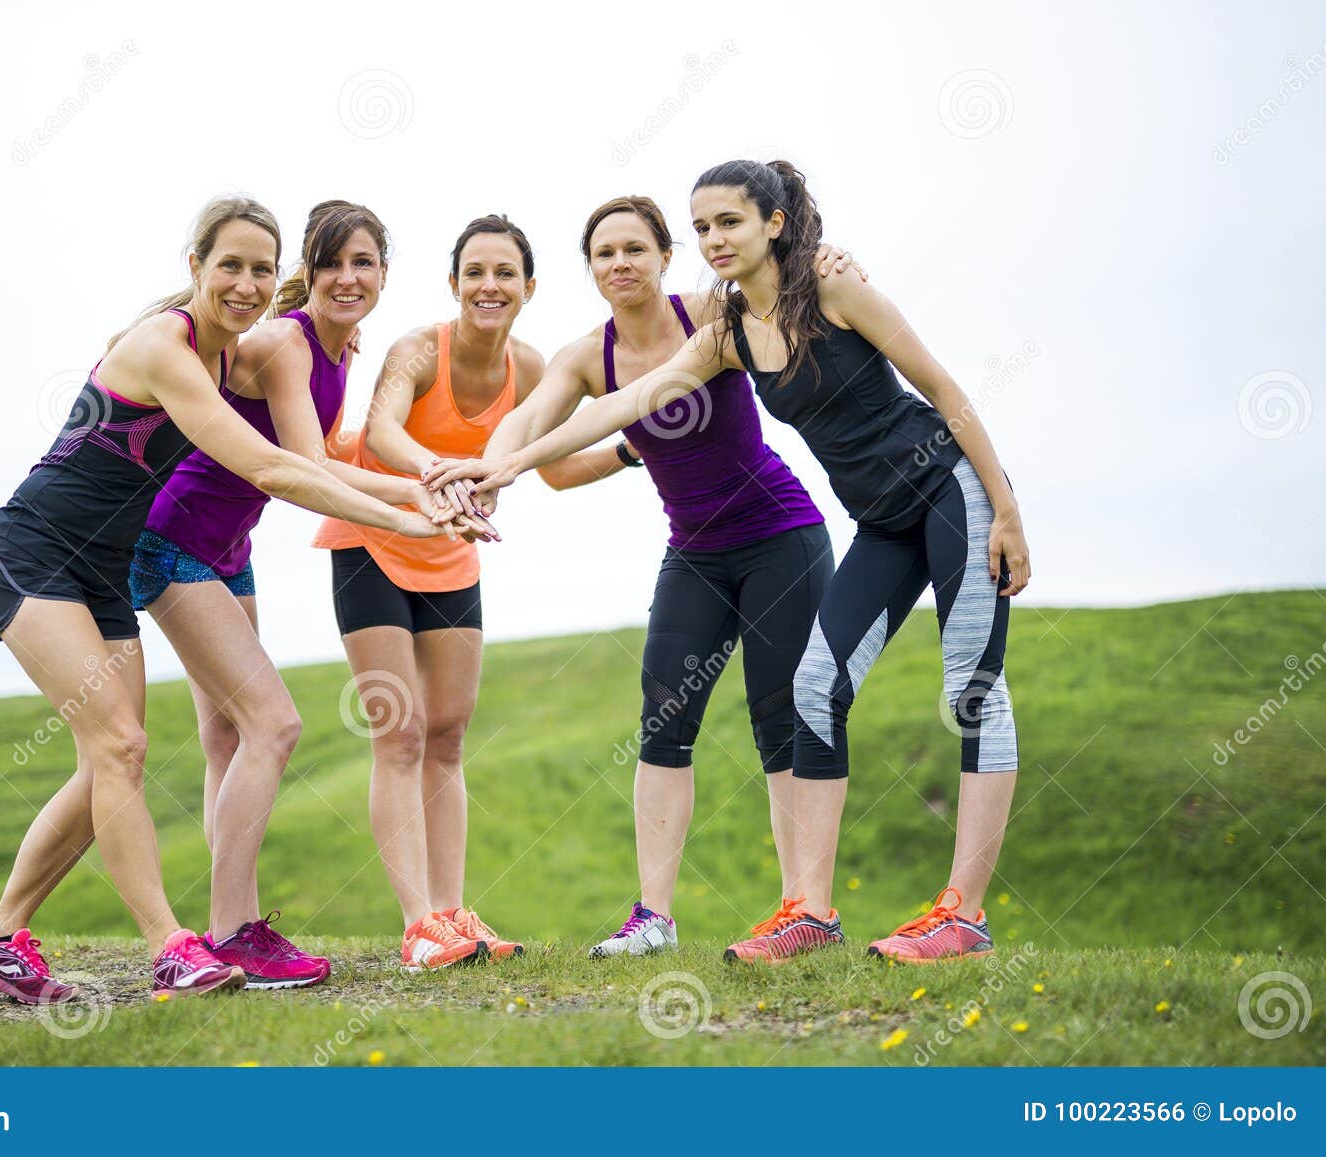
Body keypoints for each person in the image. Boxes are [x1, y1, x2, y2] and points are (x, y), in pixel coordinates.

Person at [428, 160, 1032, 965]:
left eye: (729, 223)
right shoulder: (728, 336)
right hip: (879, 523)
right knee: (815, 687)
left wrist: (1007, 508)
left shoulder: (834, 289)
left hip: (952, 493)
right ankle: (809, 913)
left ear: (773, 223)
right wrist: (499, 467)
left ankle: (965, 913)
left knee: (972, 686)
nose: (715, 238)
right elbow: (622, 405)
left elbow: (942, 386)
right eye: (704, 225)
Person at [0, 196, 442, 1004]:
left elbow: (305, 450)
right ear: (195, 266)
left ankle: (0, 940)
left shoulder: (227, 360)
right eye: (231, 265)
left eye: (261, 268)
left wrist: (418, 488)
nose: (248, 283)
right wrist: (410, 514)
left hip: (104, 570)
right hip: (34, 553)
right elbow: (277, 469)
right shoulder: (167, 348)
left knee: (108, 762)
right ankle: (172, 946)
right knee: (119, 747)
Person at [471, 195, 857, 962]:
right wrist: (493, 464)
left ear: (663, 256)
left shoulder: (714, 309)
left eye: (634, 249)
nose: (620, 263)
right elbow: (533, 425)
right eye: (604, 253)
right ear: (591, 269)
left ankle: (802, 909)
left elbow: (793, 284)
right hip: (695, 554)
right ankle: (654, 916)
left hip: (782, 536)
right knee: (662, 722)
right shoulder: (587, 355)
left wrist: (835, 263)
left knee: (781, 721)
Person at [131, 200, 454, 989]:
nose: (349, 278)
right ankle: (235, 929)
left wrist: (421, 486)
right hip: (173, 544)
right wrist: (419, 498)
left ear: (383, 273)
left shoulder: (343, 347)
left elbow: (314, 457)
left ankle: (221, 927)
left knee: (228, 740)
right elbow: (308, 469)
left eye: (365, 263)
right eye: (334, 262)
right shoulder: (284, 342)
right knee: (275, 725)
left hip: (227, 550)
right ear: (309, 271)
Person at [312, 215, 541, 972]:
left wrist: (636, 448)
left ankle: (453, 912)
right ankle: (417, 925)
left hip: (452, 549)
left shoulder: (531, 369)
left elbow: (553, 457)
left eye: (504, 272)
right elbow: (380, 434)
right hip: (371, 539)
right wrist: (442, 473)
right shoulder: (418, 349)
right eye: (474, 271)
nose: (489, 285)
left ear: (528, 287)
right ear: (453, 283)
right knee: (400, 734)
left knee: (447, 733)